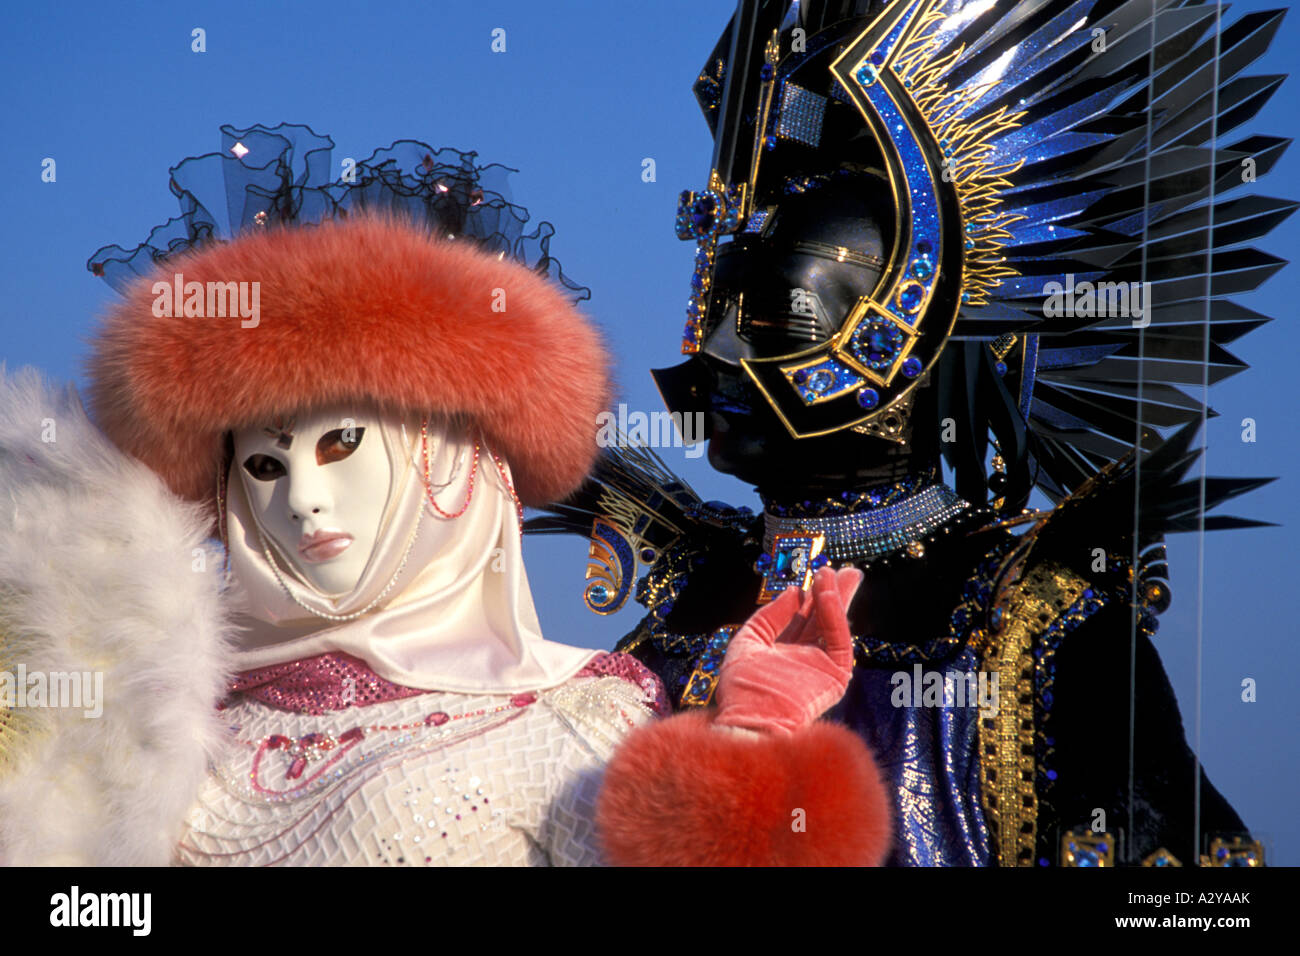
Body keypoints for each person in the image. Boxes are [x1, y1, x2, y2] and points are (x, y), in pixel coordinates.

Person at [0, 127, 890, 866]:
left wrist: (749, 757)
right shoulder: (164, 727)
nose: (303, 501)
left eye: (342, 445)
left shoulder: (574, 722)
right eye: (263, 469)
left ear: (450, 456)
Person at [537, 0, 1280, 867]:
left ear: (918, 341)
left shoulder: (1031, 633)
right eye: (720, 304)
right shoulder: (687, 593)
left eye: (778, 313)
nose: (717, 350)